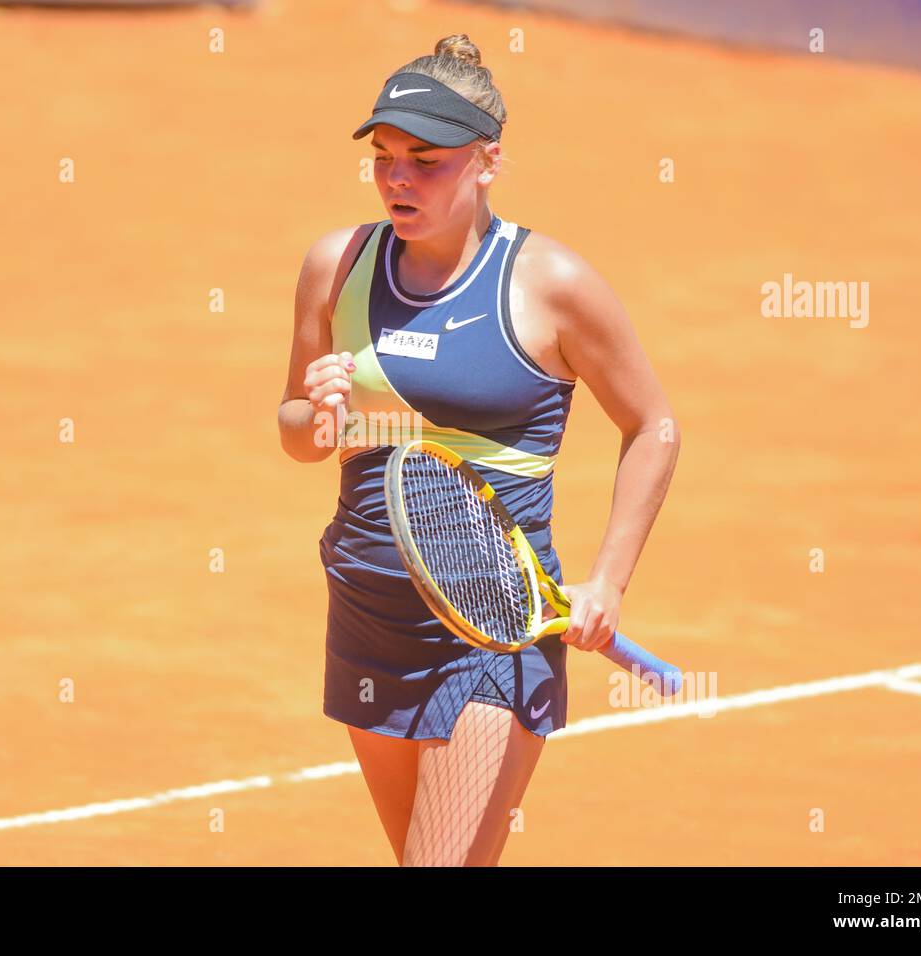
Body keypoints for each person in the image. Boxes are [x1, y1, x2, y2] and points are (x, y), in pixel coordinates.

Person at [277, 34, 679, 866]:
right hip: (367, 614)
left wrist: (609, 577)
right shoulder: (337, 265)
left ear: (488, 160)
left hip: (493, 632)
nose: (397, 178)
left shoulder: (552, 286)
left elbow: (653, 428)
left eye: (426, 160)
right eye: (384, 157)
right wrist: (317, 416)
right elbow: (300, 438)